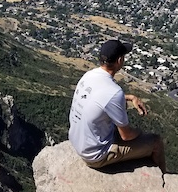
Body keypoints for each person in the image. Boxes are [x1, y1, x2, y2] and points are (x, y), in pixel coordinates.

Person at [69, 38, 166, 173]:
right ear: (119, 60)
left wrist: (130, 97)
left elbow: (99, 100)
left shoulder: (88, 75)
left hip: (77, 143)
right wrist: (139, 132)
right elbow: (127, 136)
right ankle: (164, 179)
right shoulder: (114, 92)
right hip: (95, 156)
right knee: (156, 142)